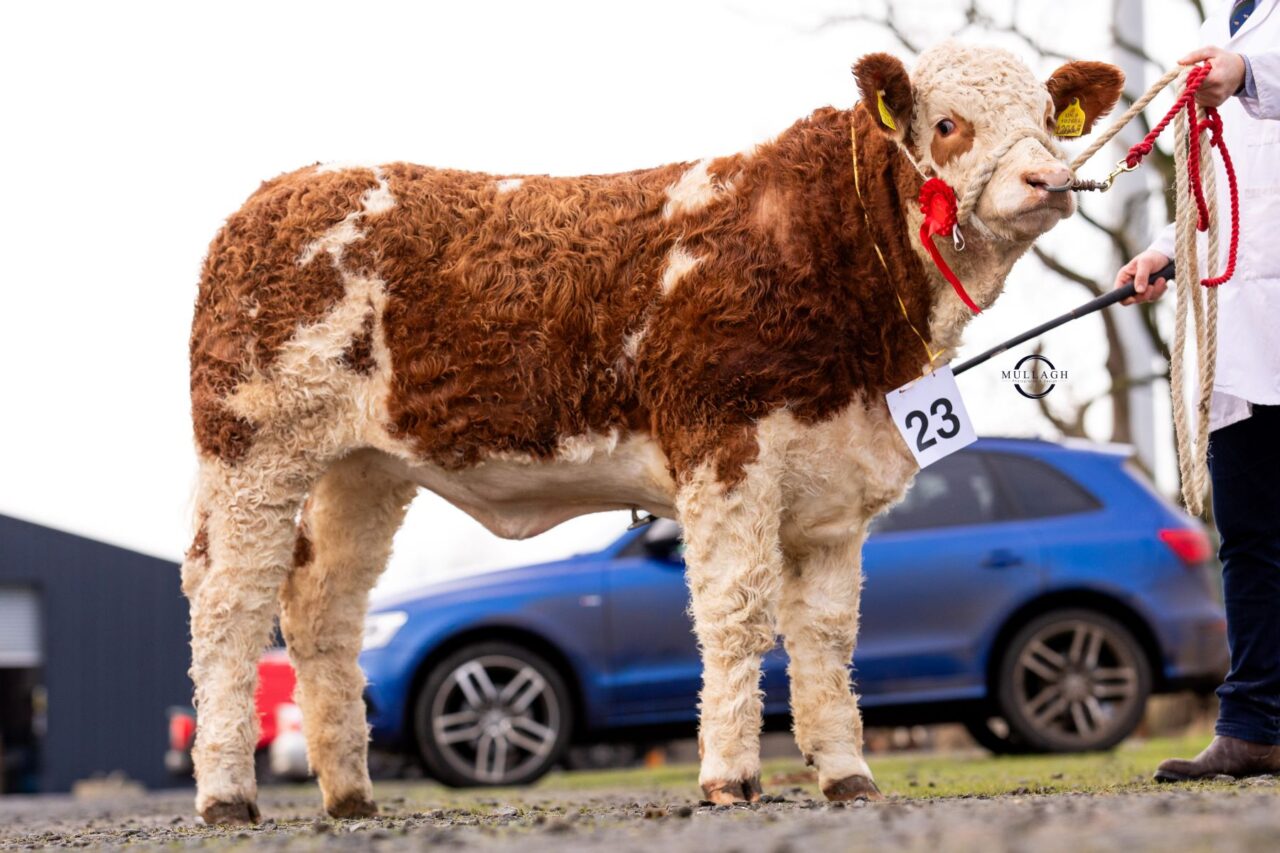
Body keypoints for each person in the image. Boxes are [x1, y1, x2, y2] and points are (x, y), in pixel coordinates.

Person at [1114, 0, 1280, 782]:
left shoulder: (1245, 46)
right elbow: (1225, 177)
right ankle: (1255, 725)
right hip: (1243, 328)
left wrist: (1245, 72)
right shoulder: (1233, 19)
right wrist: (1163, 249)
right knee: (1250, 538)